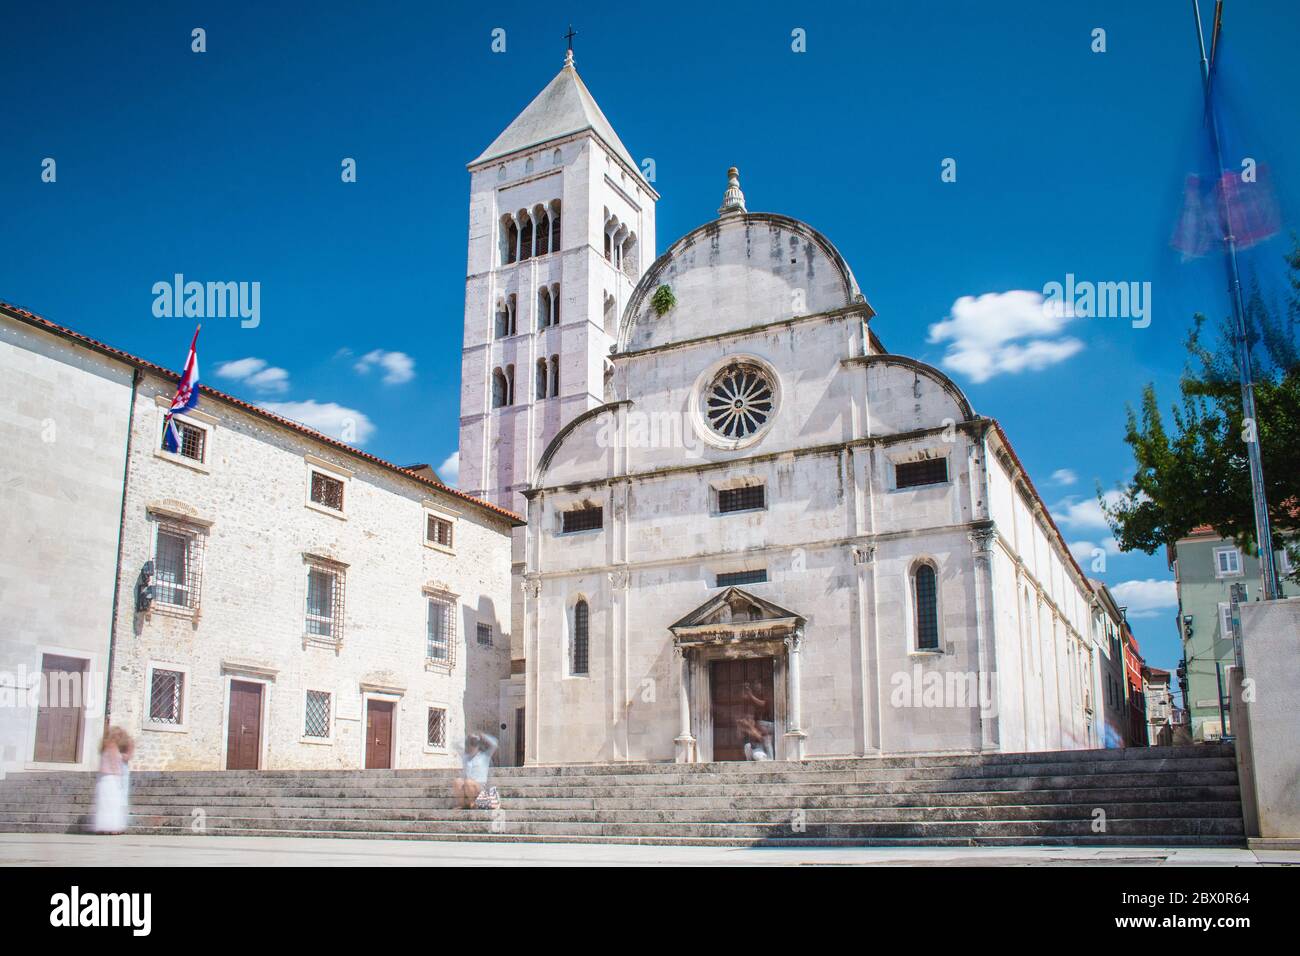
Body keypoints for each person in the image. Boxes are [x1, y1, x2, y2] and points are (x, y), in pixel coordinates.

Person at [92, 727, 128, 834]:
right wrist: (119, 777)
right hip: (111, 778)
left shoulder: (105, 746)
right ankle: (112, 828)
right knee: (112, 804)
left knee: (105, 805)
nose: (120, 738)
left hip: (103, 778)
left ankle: (104, 827)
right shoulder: (112, 747)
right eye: (118, 735)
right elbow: (114, 764)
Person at [452, 732, 499, 809]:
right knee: (457, 781)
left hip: (480, 786)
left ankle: (473, 803)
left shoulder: (485, 756)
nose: (472, 746)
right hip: (467, 785)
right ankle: (462, 804)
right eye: (471, 743)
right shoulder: (465, 757)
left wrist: (483, 736)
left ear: (478, 745)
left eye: (474, 743)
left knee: (468, 782)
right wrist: (468, 737)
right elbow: (454, 744)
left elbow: (494, 744)